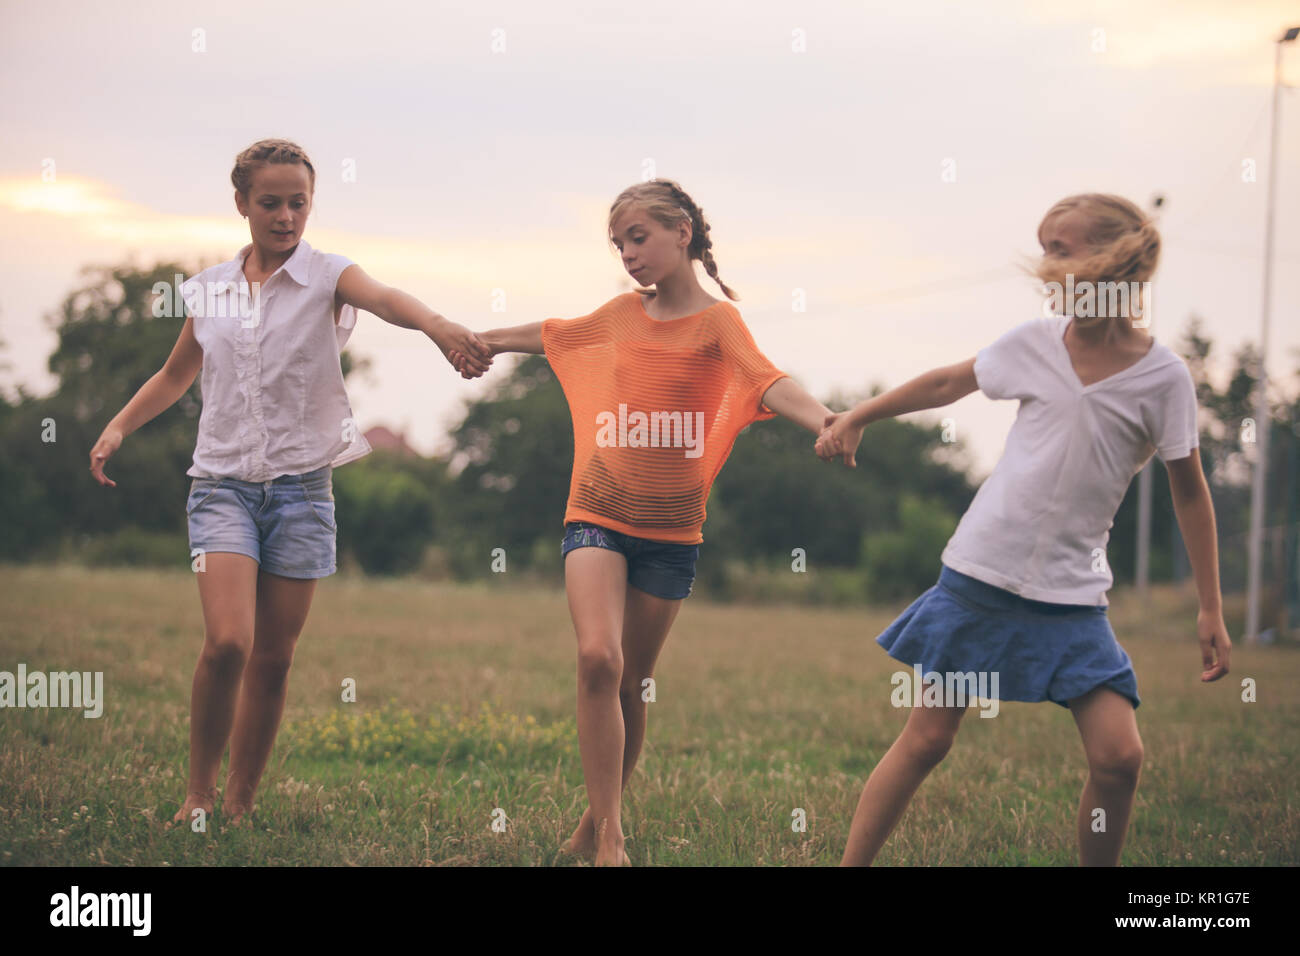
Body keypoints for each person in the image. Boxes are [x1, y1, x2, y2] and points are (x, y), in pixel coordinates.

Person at [88, 138, 493, 829]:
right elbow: (177, 373)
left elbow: (389, 299)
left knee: (273, 660)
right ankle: (198, 795)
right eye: (270, 202)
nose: (285, 216)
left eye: (297, 202)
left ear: (311, 203)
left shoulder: (329, 275)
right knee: (228, 643)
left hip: (303, 493)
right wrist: (119, 426)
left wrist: (437, 327)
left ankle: (241, 803)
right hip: (220, 485)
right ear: (242, 203)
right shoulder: (210, 287)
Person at [817, 193, 1231, 866]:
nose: (1043, 265)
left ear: (1112, 260)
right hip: (981, 576)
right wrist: (862, 413)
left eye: (1059, 249)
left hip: (1071, 599)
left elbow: (1191, 492)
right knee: (927, 739)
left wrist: (1211, 605)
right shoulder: (1034, 345)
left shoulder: (1164, 379)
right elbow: (950, 382)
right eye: (1042, 248)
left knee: (1120, 756)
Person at [452, 179, 839, 865]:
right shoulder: (620, 314)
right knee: (599, 659)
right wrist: (482, 341)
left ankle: (590, 827)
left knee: (633, 683)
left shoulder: (719, 324)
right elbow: (555, 335)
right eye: (619, 244)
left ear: (681, 231)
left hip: (672, 532)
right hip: (596, 510)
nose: (628, 255)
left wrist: (829, 422)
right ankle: (611, 837)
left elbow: (766, 379)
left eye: (639, 238)